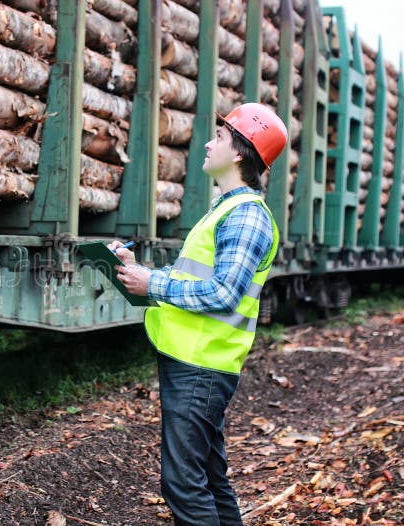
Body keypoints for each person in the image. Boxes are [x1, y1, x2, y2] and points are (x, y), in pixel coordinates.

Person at [109, 103, 288, 525]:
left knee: (183, 483)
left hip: (201, 366)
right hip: (195, 362)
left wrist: (152, 284)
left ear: (241, 153)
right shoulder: (226, 208)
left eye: (220, 137)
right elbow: (196, 277)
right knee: (208, 476)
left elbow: (223, 293)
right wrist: (141, 272)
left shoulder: (245, 216)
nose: (208, 143)